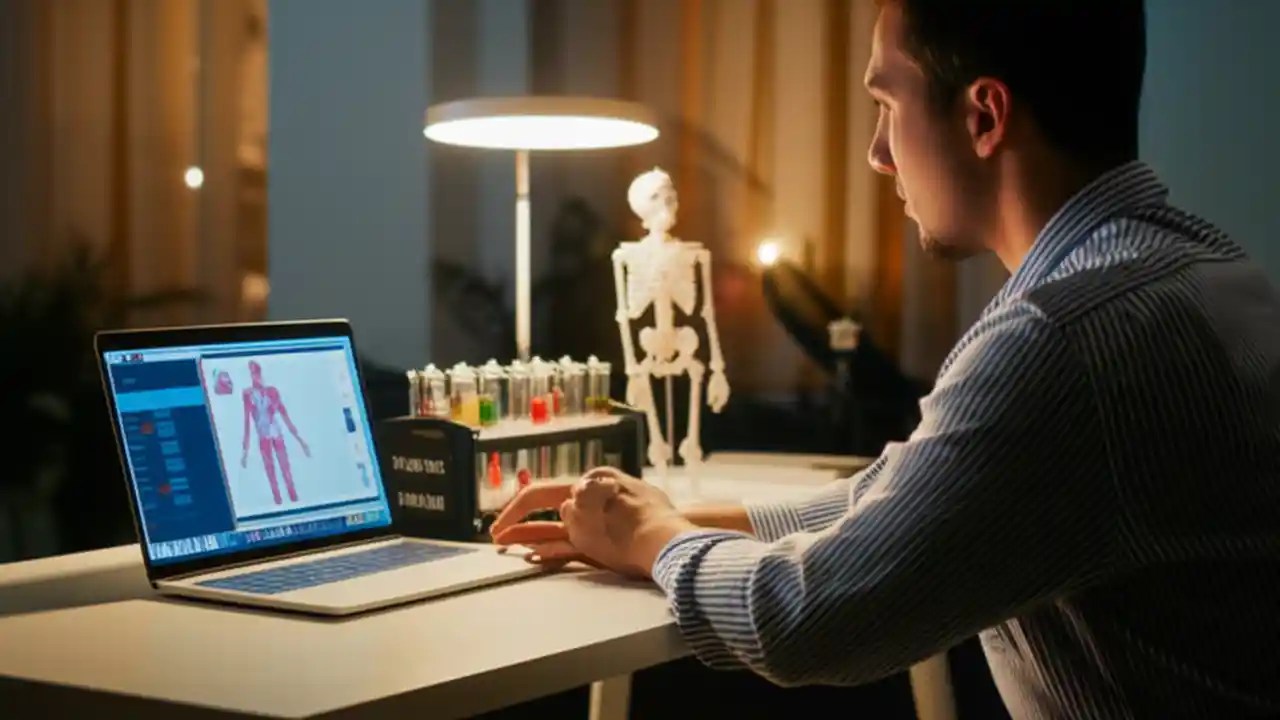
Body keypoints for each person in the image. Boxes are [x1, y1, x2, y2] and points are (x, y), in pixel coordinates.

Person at [490, 0, 1280, 717]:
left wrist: (655, 543)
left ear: (984, 117)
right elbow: (907, 494)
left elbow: (811, 619)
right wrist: (665, 514)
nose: (876, 153)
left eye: (886, 104)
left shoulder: (1063, 342)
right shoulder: (1208, 272)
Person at [240, 359, 310, 505]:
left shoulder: (272, 392)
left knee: (285, 467)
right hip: (263, 436)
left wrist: (300, 440)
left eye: (257, 373)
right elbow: (247, 422)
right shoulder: (248, 394)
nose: (256, 376)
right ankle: (277, 500)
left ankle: (294, 497)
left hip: (276, 433)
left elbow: (284, 414)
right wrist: (245, 451)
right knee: (270, 469)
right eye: (253, 373)